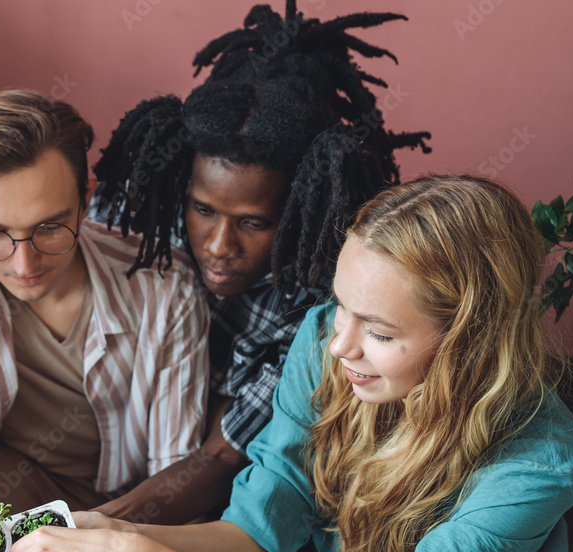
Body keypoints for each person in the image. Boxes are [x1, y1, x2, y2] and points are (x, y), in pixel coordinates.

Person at [0, 175, 573, 552]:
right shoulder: (327, 337)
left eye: (378, 331)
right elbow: (262, 531)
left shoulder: (535, 468)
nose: (339, 345)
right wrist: (119, 534)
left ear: (470, 342)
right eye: (342, 305)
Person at [90, 0, 432, 525]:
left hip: (221, 510)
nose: (220, 245)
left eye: (254, 222)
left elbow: (219, 457)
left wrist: (96, 531)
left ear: (300, 211)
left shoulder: (325, 308)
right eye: (204, 210)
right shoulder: (132, 217)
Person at [0, 89, 208, 518]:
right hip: (6, 486)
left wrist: (90, 545)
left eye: (49, 227)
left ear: (85, 199)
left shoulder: (163, 285)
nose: (23, 264)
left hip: (131, 508)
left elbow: (174, 472)